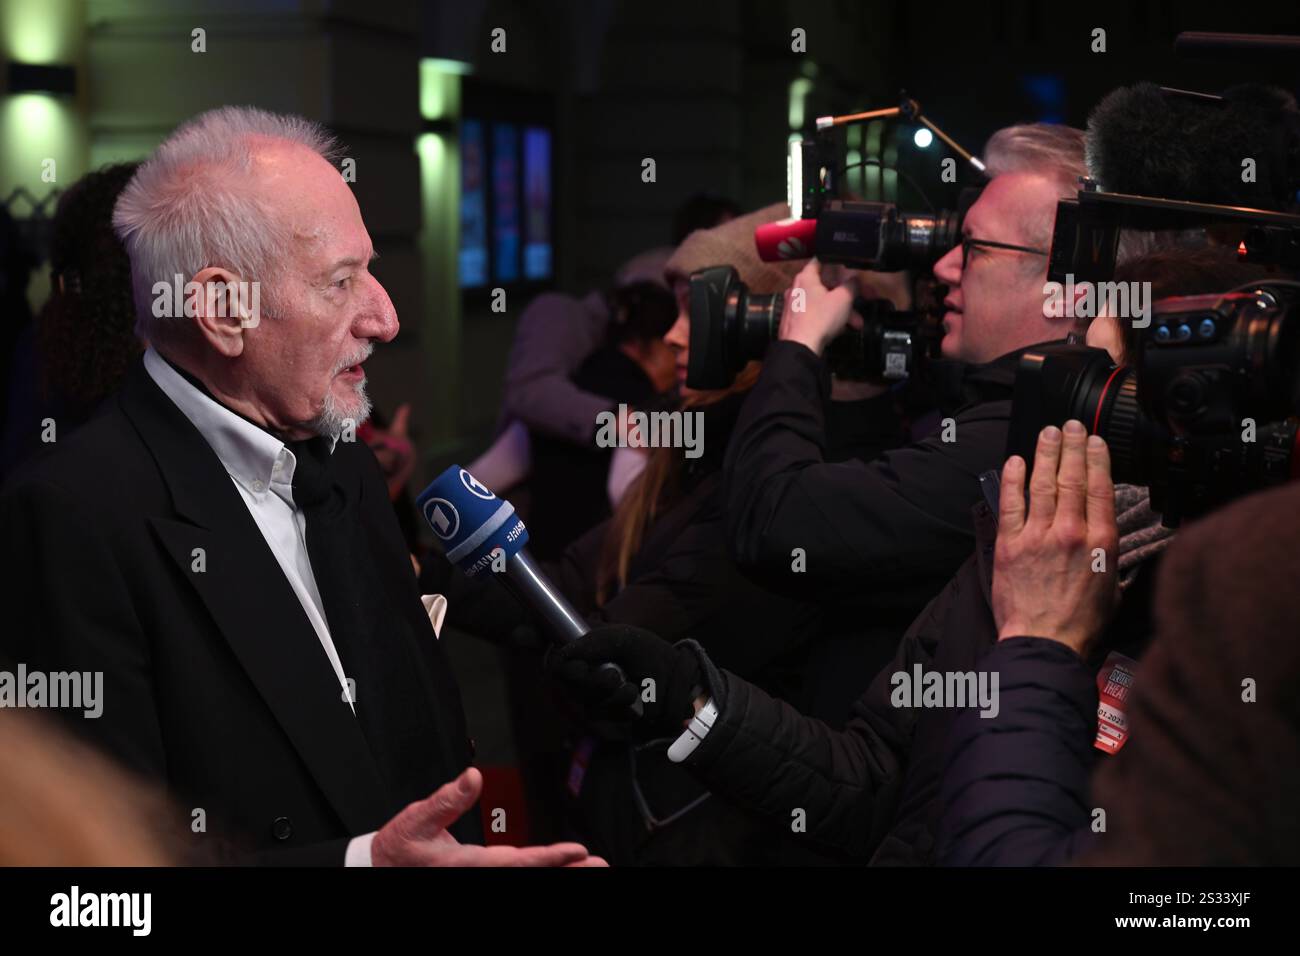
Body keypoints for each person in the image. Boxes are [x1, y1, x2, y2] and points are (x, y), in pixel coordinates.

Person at [0, 106, 603, 867]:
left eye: (371, 270)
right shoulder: (70, 517)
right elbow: (89, 881)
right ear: (222, 310)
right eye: (340, 281)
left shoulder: (337, 451)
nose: (384, 317)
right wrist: (363, 865)